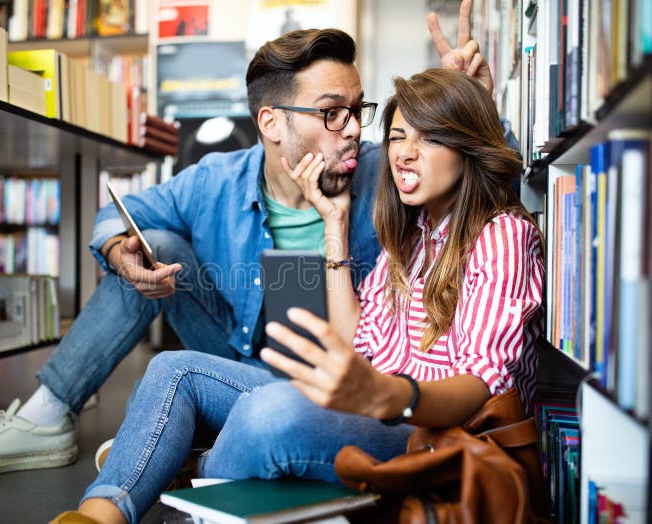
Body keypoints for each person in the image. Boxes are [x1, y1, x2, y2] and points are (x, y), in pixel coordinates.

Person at [0, 0, 508, 480]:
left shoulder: (385, 170)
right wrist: (116, 251)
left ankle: (200, 447)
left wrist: (471, 109)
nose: (353, 129)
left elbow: (469, 185)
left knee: (290, 283)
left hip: (353, 374)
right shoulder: (216, 181)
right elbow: (113, 214)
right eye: (333, 113)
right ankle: (47, 416)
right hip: (242, 357)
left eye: (359, 110)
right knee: (149, 242)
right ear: (272, 123)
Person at [53, 67, 545, 524]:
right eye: (398, 136)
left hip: (429, 430)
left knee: (268, 414)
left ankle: (183, 482)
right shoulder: (410, 234)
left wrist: (388, 393)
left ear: (467, 147)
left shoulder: (502, 235)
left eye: (431, 138)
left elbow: (484, 386)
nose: (404, 153)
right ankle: (100, 513)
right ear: (270, 122)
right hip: (372, 401)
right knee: (172, 369)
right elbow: (359, 342)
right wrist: (334, 221)